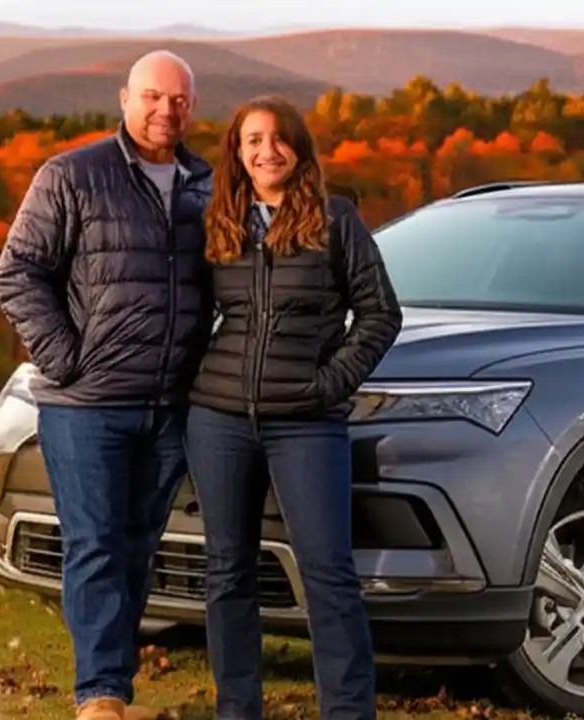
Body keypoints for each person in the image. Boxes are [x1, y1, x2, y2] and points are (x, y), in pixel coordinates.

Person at [0, 50, 214, 720]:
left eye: (177, 100)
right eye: (151, 96)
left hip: (169, 407)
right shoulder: (72, 175)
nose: (163, 110)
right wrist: (66, 358)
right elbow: (18, 271)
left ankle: (113, 687)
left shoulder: (205, 184)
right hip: (86, 406)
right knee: (95, 543)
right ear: (124, 99)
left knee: (140, 547)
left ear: (191, 108)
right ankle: (99, 698)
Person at [184, 94, 402, 720]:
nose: (266, 150)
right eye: (253, 140)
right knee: (229, 572)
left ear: (299, 147)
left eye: (278, 138)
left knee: (328, 572)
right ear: (237, 152)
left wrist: (332, 382)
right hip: (219, 420)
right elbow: (197, 318)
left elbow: (381, 313)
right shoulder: (220, 222)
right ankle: (237, 709)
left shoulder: (335, 221)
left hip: (306, 422)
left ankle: (348, 711)